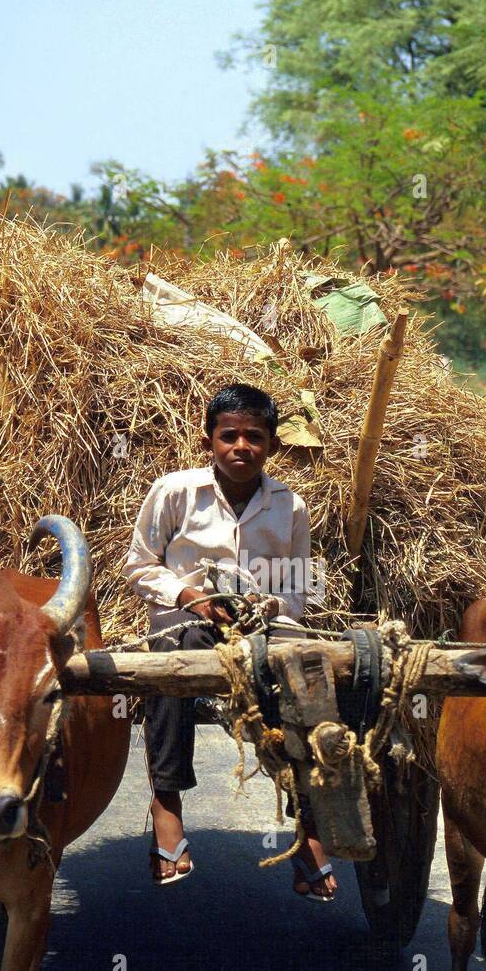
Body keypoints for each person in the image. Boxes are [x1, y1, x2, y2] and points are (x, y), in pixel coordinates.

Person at [122, 382, 337, 901]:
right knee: (173, 659)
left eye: (255, 437)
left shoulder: (291, 507)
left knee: (311, 667)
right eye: (230, 436)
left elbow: (297, 588)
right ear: (208, 443)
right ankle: (167, 804)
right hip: (185, 620)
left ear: (272, 446)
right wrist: (189, 594)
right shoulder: (175, 493)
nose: (242, 447)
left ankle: (310, 820)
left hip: (262, 624)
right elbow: (140, 566)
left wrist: (269, 608)